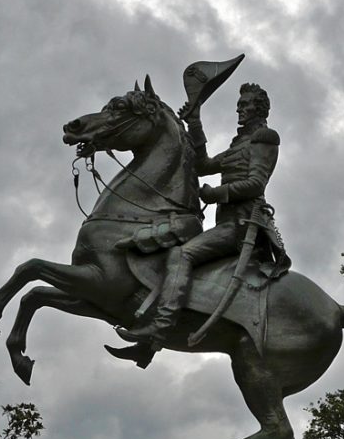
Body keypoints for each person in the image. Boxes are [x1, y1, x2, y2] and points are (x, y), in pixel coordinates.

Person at [113, 82, 286, 363]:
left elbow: (256, 183)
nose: (240, 109)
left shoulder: (265, 138)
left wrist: (217, 193)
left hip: (242, 227)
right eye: (239, 105)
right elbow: (203, 165)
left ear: (260, 108)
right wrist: (195, 122)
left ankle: (161, 325)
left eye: (245, 105)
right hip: (226, 225)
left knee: (182, 254)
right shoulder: (239, 144)